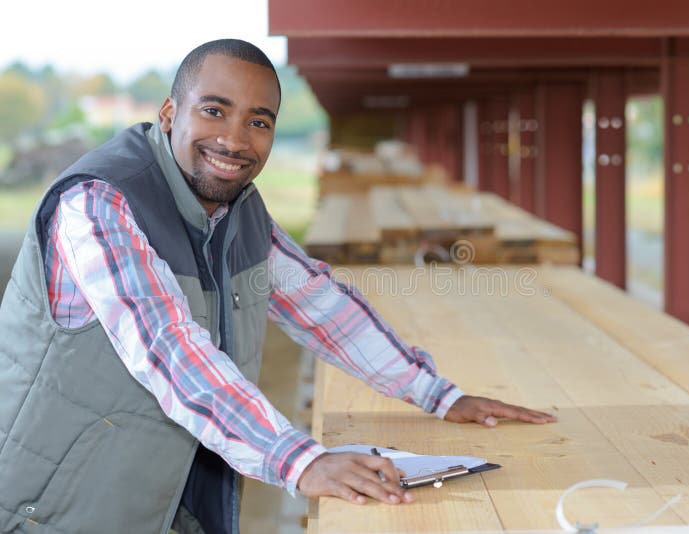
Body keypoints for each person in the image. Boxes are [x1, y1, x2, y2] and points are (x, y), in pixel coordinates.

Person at [0, 39, 556, 534]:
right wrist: (300, 460)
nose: (234, 139)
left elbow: (319, 305)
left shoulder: (241, 214)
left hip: (171, 498)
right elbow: (166, 345)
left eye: (258, 121)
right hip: (55, 508)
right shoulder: (99, 204)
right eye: (214, 110)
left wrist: (439, 394)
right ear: (170, 113)